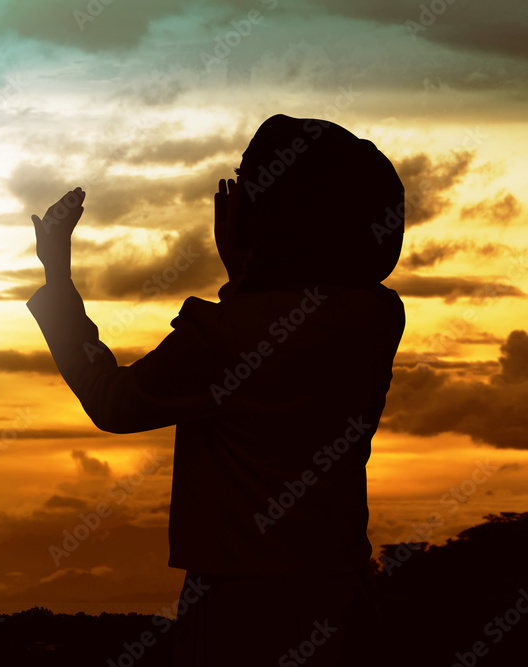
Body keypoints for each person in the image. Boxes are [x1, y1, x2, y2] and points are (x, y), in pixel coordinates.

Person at [26, 114, 406, 666]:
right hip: (344, 601)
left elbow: (111, 401)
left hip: (243, 615)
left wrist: (57, 278)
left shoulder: (224, 338)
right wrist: (247, 273)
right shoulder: (376, 317)